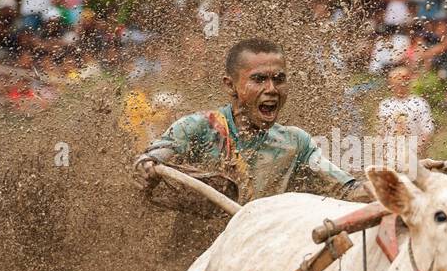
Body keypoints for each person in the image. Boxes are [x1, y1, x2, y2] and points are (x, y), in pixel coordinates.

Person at [132, 38, 370, 203]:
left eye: (279, 79)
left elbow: (345, 189)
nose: (271, 89)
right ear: (230, 85)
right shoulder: (200, 127)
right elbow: (154, 156)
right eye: (258, 79)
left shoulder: (295, 143)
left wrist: (389, 190)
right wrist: (147, 166)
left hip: (260, 256)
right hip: (196, 259)